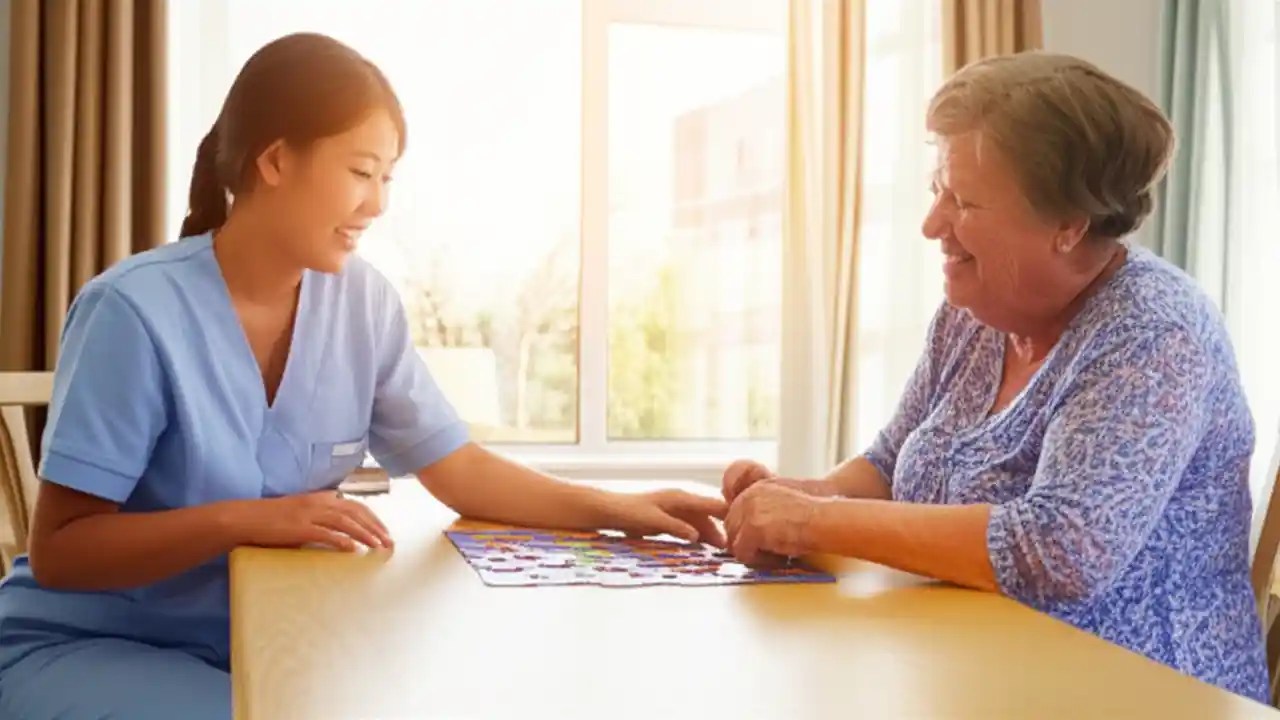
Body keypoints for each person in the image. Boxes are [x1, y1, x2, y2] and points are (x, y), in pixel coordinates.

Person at [0, 33, 725, 719]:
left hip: (255, 647)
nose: (377, 205)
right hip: (88, 644)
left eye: (386, 178)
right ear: (275, 160)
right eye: (360, 172)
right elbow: (63, 551)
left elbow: (461, 470)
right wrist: (249, 520)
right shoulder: (133, 311)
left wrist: (617, 509)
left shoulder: (362, 304)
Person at [721, 52, 1270, 702]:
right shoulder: (976, 313)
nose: (932, 225)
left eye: (965, 202)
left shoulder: (1155, 330)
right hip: (980, 671)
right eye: (937, 190)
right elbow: (892, 464)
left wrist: (813, 522)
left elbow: (1061, 550)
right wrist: (800, 495)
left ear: (1067, 225)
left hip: (1138, 694)